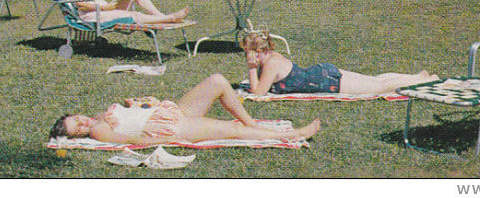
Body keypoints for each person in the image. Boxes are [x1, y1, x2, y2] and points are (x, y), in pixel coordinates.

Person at [49, 73, 320, 145]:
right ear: (79, 137)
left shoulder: (98, 119)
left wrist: (134, 105)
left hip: (173, 111)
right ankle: (290, 135)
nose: (84, 124)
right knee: (230, 130)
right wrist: (169, 139)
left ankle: (253, 124)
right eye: (79, 130)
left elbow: (126, 117)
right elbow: (130, 139)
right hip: (174, 126)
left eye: (78, 120)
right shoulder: (98, 131)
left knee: (218, 81)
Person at [240, 30, 437, 96]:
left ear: (262, 51)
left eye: (251, 54)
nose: (250, 58)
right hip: (323, 73)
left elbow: (258, 94)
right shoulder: (272, 59)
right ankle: (418, 77)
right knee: (375, 80)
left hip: (326, 81)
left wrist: (251, 69)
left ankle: (425, 82)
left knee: (378, 86)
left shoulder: (271, 64)